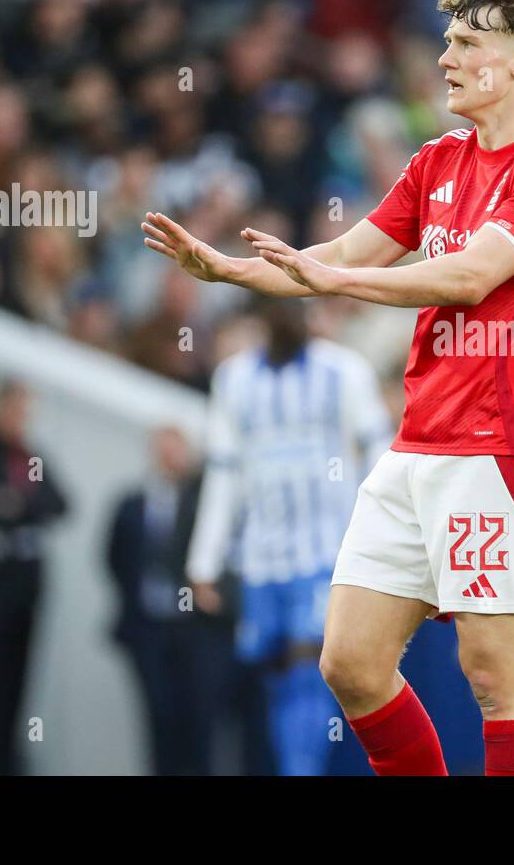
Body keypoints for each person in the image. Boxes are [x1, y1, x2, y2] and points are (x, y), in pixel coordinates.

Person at [141, 0, 514, 775]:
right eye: (448, 41)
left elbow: (465, 276)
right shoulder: (439, 161)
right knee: (350, 664)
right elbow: (337, 258)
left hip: (496, 453)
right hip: (418, 445)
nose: (446, 58)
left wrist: (339, 286)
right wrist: (228, 272)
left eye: (467, 44)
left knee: (499, 681)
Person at [184, 299, 392, 775]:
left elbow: (378, 454)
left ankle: (304, 769)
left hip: (327, 553)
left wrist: (380, 541)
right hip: (261, 557)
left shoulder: (344, 372)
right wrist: (204, 562)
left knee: (310, 666)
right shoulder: (234, 379)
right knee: (277, 672)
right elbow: (224, 473)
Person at [107, 425, 235, 775]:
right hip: (148, 629)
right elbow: (115, 559)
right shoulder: (132, 504)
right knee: (158, 718)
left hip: (195, 631)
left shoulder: (203, 502)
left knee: (199, 722)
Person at [0, 379, 68, 774]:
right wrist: (22, 504)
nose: (23, 421)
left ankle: (6, 758)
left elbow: (59, 503)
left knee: (20, 680)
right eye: (17, 411)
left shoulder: (30, 458)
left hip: (26, 585)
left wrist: (17, 502)